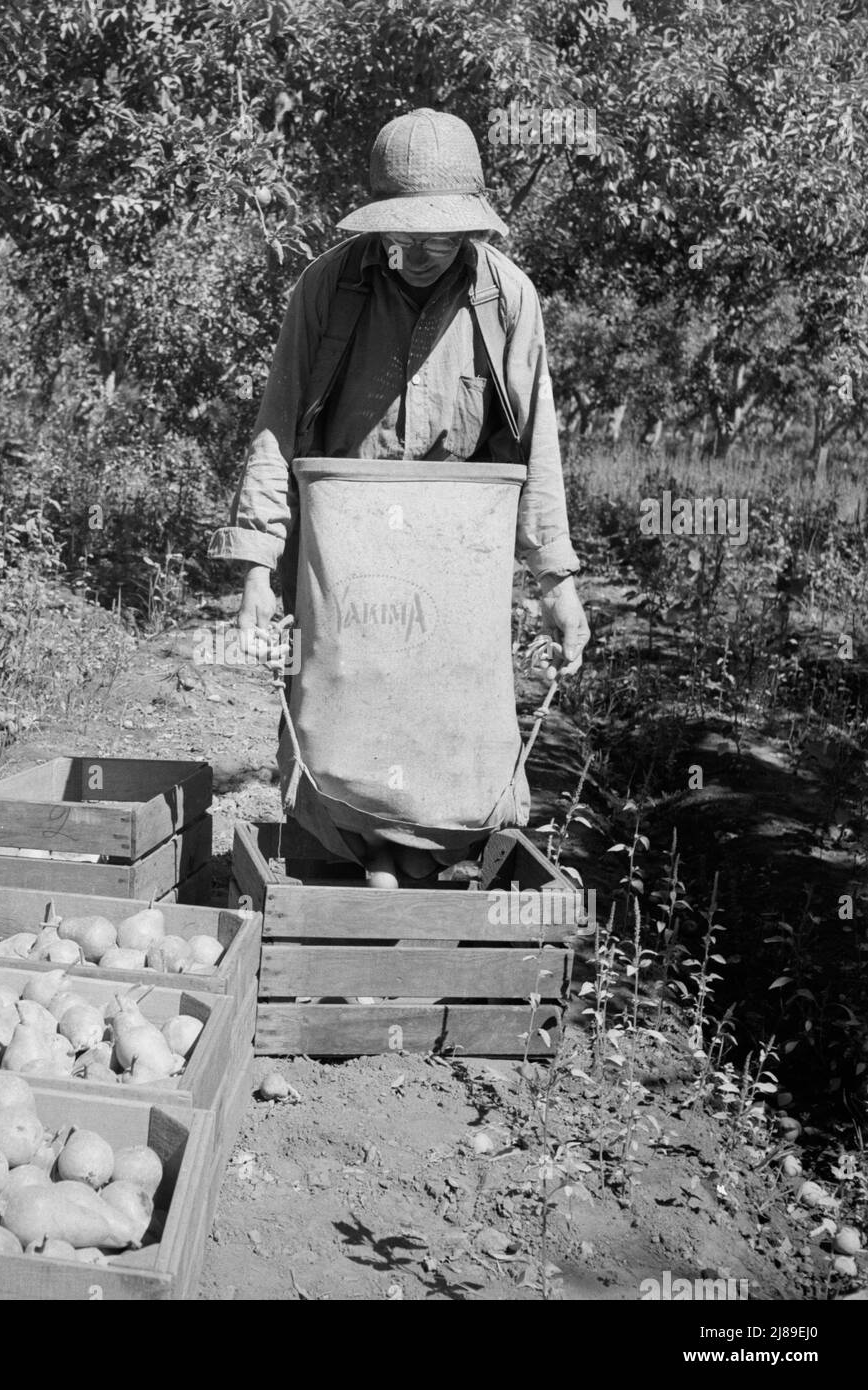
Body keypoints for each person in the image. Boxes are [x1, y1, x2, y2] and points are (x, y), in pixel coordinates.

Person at [209, 108, 590, 886]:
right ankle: (347, 869)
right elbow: (278, 425)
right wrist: (256, 566)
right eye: (404, 234)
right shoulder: (327, 288)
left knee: (447, 711)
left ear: (473, 228)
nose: (419, 252)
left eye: (440, 235)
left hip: (456, 553)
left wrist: (557, 580)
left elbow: (536, 442)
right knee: (338, 701)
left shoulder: (507, 298)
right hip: (341, 549)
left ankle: (420, 866)